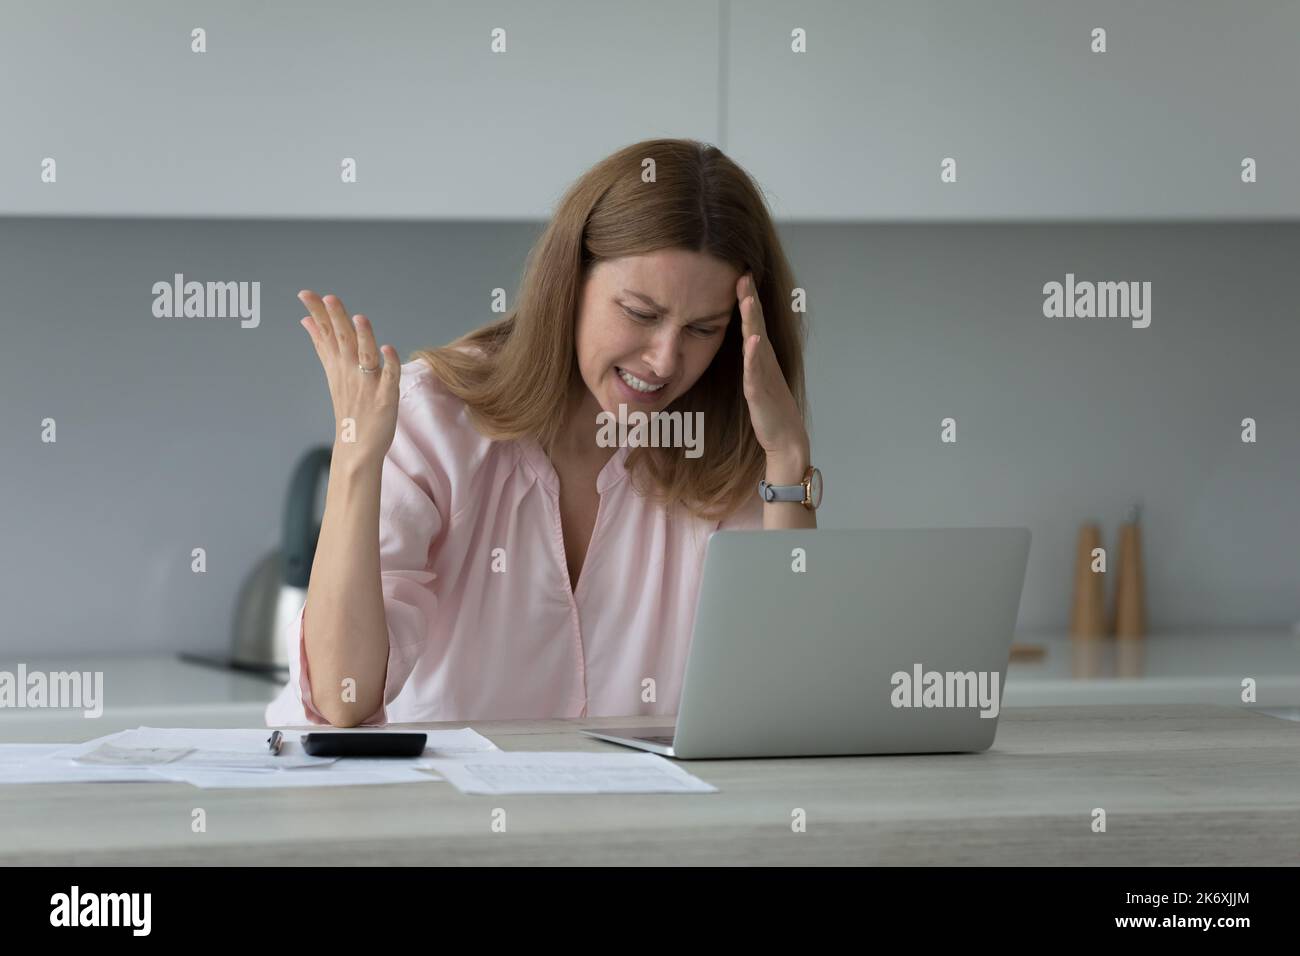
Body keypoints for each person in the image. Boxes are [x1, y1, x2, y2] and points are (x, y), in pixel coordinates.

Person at [265, 138, 821, 728]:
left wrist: (787, 460)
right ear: (570, 281)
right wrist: (356, 459)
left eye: (702, 330)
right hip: (426, 813)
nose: (664, 360)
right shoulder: (431, 419)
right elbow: (342, 699)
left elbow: (777, 703)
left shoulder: (719, 446)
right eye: (639, 313)